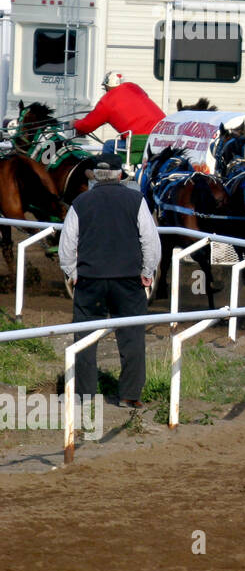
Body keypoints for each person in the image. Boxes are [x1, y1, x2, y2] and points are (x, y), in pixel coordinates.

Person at [57, 153, 162, 409]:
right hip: (128, 281)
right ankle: (129, 395)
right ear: (119, 175)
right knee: (132, 337)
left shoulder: (81, 203)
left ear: (95, 175)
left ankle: (83, 395)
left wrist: (72, 273)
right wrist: (148, 272)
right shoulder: (136, 200)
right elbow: (151, 242)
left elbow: (67, 244)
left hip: (90, 280)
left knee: (84, 337)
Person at [73, 72, 166, 165]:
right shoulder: (133, 87)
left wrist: (74, 124)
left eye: (105, 87)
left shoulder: (106, 102)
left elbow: (87, 125)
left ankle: (109, 175)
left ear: (108, 86)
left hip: (139, 141)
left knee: (109, 145)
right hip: (162, 136)